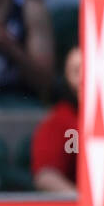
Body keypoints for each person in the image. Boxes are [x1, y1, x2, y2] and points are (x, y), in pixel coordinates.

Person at [30, 45, 79, 191]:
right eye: (76, 71)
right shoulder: (60, 120)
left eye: (90, 67)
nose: (84, 77)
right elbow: (46, 176)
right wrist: (86, 205)